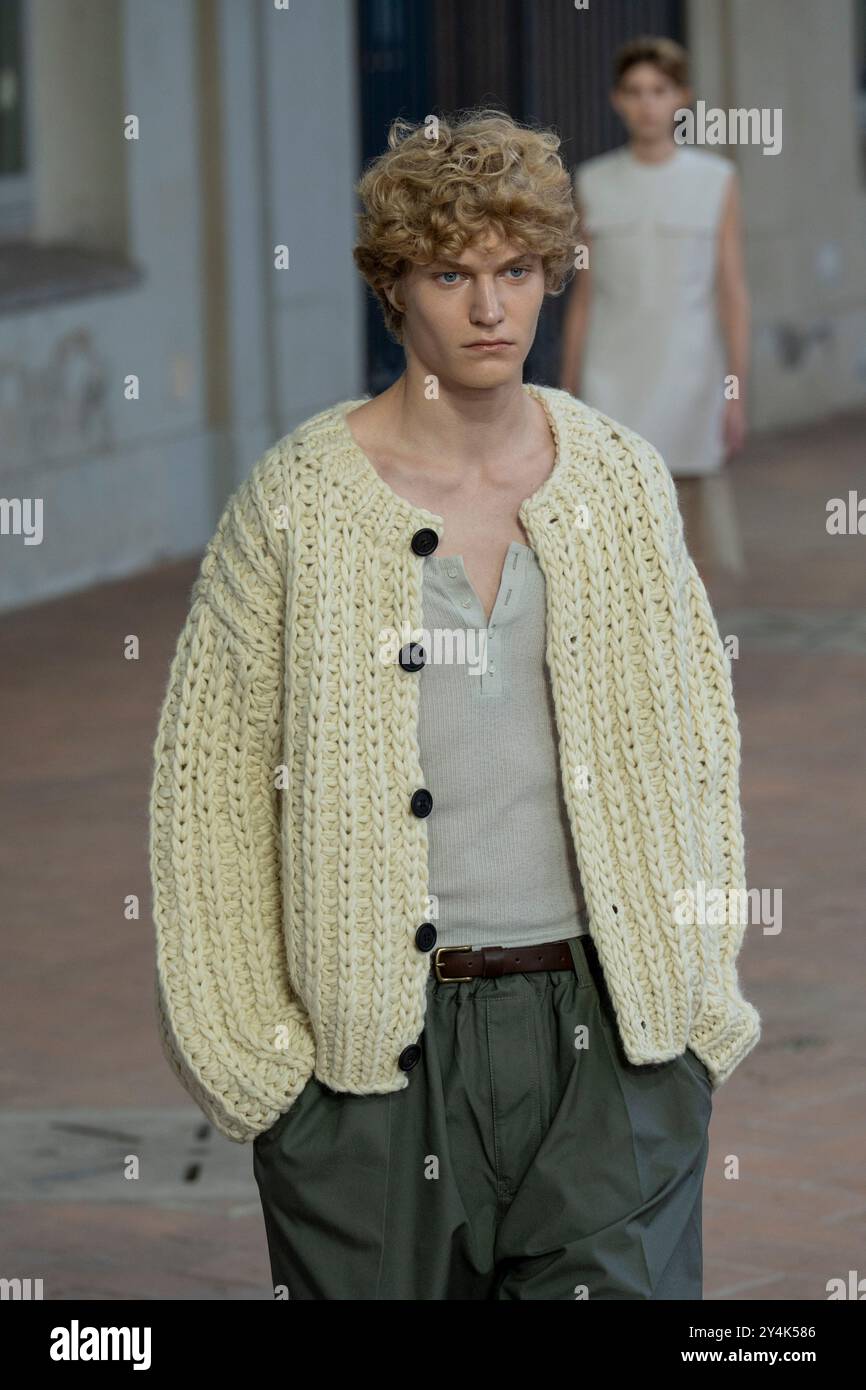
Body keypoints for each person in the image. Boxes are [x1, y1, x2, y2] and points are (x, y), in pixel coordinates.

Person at [149, 107, 761, 1301]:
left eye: (516, 270)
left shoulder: (620, 482)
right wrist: (266, 1072)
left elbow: (698, 750)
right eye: (450, 273)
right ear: (395, 289)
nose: (490, 309)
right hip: (376, 1065)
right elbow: (210, 802)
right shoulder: (296, 507)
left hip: (610, 1035)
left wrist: (693, 1010)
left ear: (547, 279)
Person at [559, 36, 751, 577]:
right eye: (635, 91)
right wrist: (569, 388)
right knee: (612, 528)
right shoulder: (593, 181)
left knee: (688, 542)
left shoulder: (716, 180)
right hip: (611, 376)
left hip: (690, 374)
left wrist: (735, 391)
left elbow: (731, 291)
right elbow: (585, 291)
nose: (647, 104)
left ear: (682, 98)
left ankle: (689, 653)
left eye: (659, 90)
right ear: (617, 100)